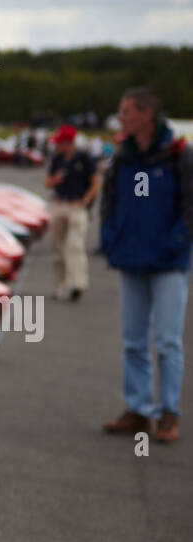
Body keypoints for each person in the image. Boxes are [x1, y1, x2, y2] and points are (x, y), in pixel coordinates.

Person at [100, 87, 193, 444]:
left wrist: (176, 243)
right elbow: (110, 201)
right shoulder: (123, 157)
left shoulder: (178, 155)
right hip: (131, 259)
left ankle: (168, 413)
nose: (120, 117)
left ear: (145, 115)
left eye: (126, 112)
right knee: (133, 340)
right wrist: (111, 239)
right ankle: (138, 409)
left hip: (168, 263)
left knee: (168, 341)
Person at [45, 125, 99, 302]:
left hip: (76, 205)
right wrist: (55, 180)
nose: (57, 147)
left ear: (69, 143)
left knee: (74, 246)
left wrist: (86, 200)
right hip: (59, 203)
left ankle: (78, 284)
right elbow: (47, 182)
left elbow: (96, 181)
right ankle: (61, 284)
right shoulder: (56, 159)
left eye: (60, 143)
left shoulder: (84, 158)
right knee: (57, 246)